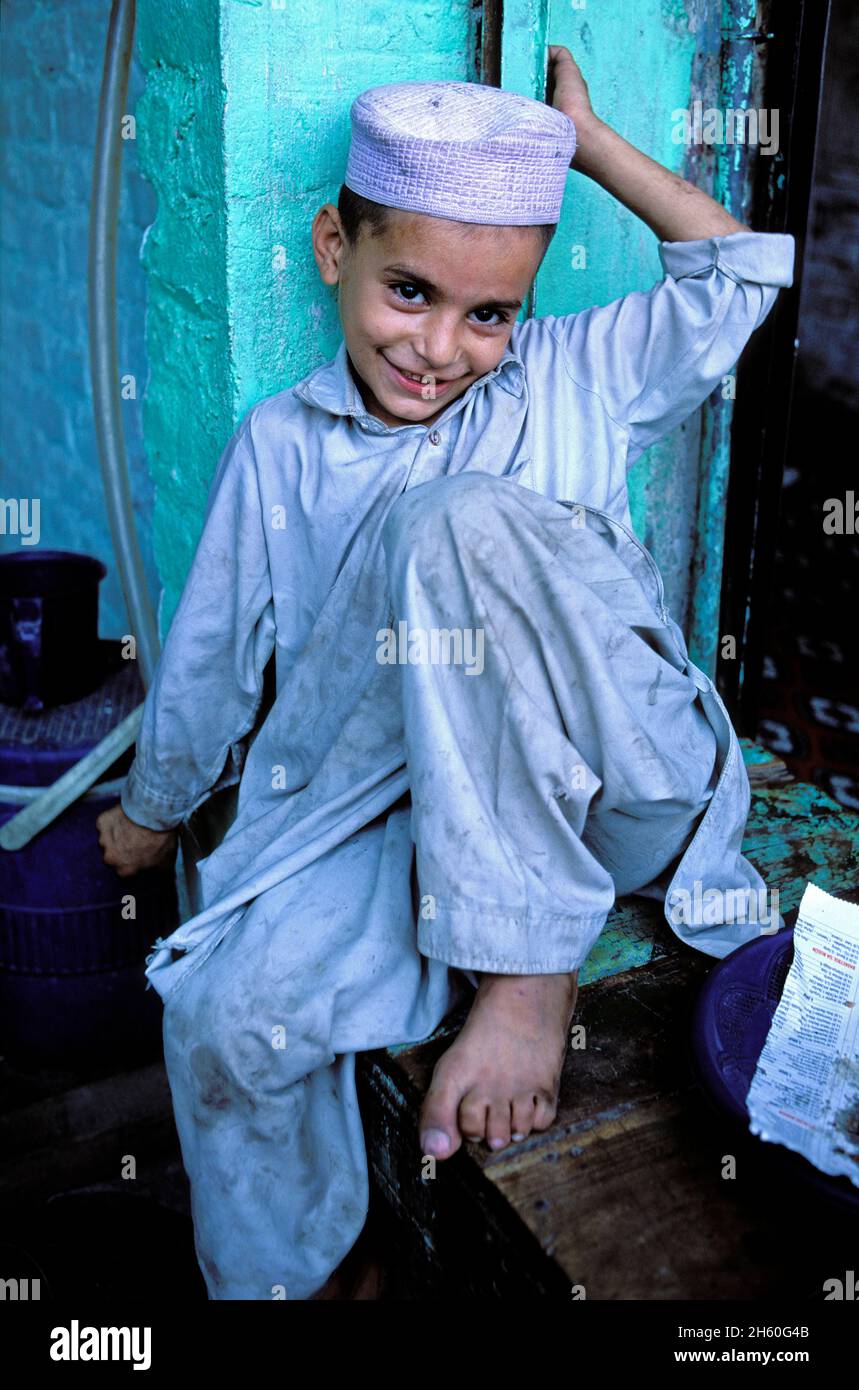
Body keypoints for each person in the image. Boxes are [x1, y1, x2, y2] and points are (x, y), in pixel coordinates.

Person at [96, 47, 795, 1299]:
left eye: (490, 312)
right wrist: (155, 813)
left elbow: (738, 272)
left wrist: (585, 146)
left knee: (457, 521)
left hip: (628, 791)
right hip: (422, 821)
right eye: (408, 292)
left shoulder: (574, 378)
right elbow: (209, 656)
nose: (441, 348)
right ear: (332, 249)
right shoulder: (283, 448)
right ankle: (310, 1276)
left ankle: (530, 979)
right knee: (221, 1017)